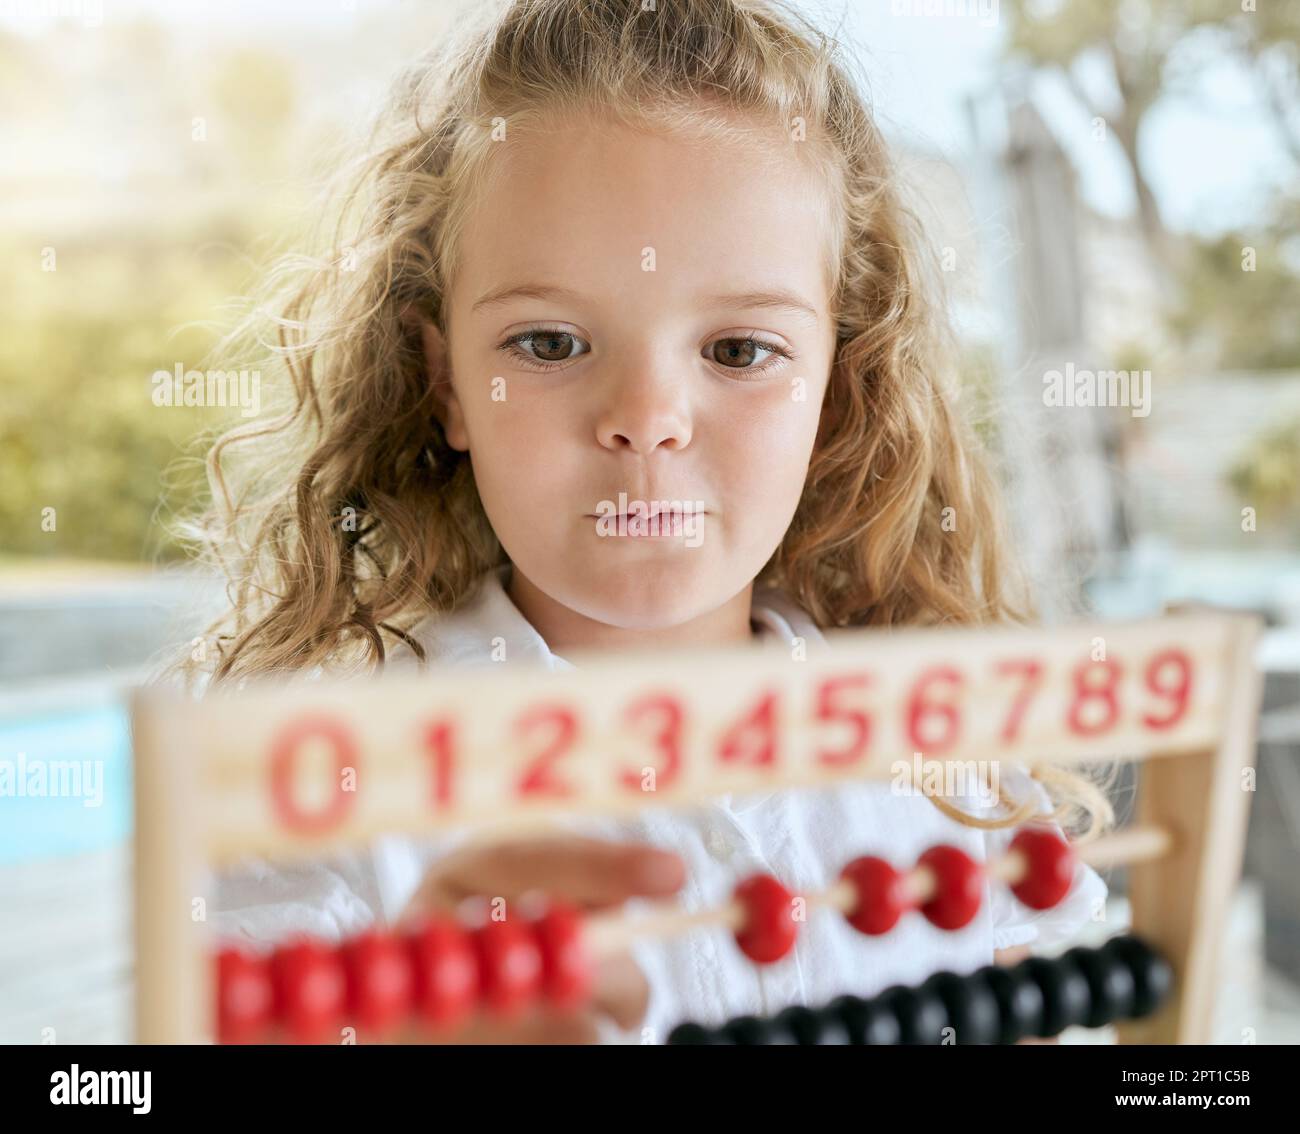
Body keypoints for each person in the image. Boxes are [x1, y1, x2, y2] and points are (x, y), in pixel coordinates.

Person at [174, 0, 1113, 1044]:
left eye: (739, 351)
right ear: (445, 384)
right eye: (547, 343)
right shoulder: (317, 806)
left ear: (837, 393)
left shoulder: (947, 772)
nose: (645, 422)